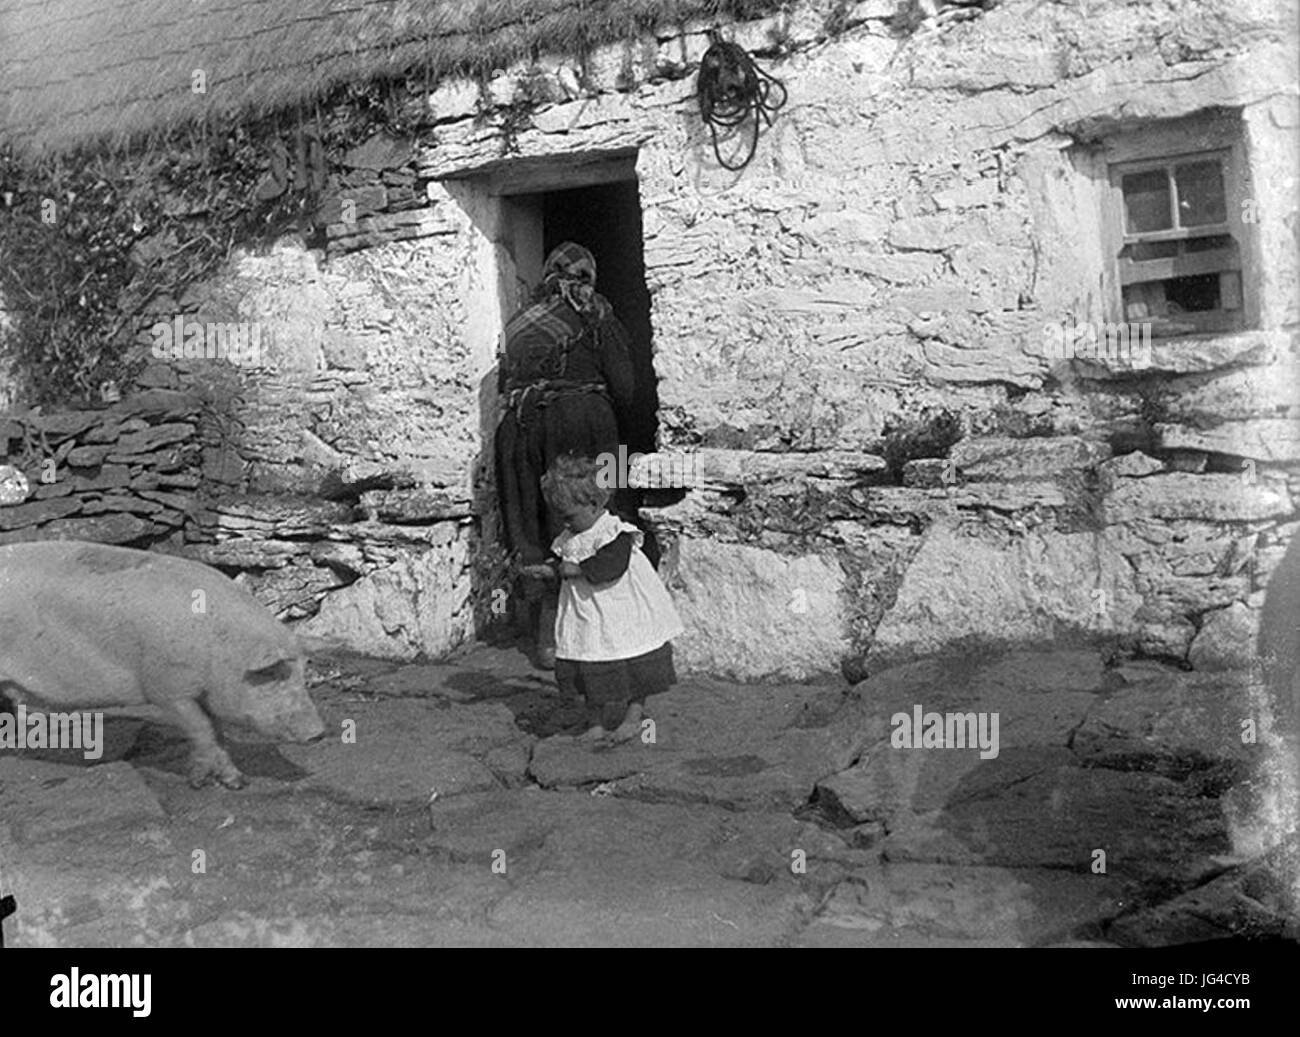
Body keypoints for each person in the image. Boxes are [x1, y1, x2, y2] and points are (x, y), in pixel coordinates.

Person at [495, 242, 636, 669]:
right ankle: (600, 629)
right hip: (582, 426)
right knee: (598, 512)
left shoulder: (520, 323)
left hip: (517, 430)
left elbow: (505, 382)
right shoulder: (597, 316)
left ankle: (545, 637)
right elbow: (626, 388)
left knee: (533, 523)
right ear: (588, 277)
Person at [523, 454, 684, 743]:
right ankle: (594, 722)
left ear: (594, 505)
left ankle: (634, 717)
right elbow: (564, 560)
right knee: (587, 659)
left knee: (633, 661)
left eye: (570, 516)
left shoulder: (614, 532)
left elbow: (611, 567)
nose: (566, 523)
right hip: (586, 613)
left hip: (620, 611)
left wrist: (579, 569)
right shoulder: (572, 533)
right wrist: (549, 570)